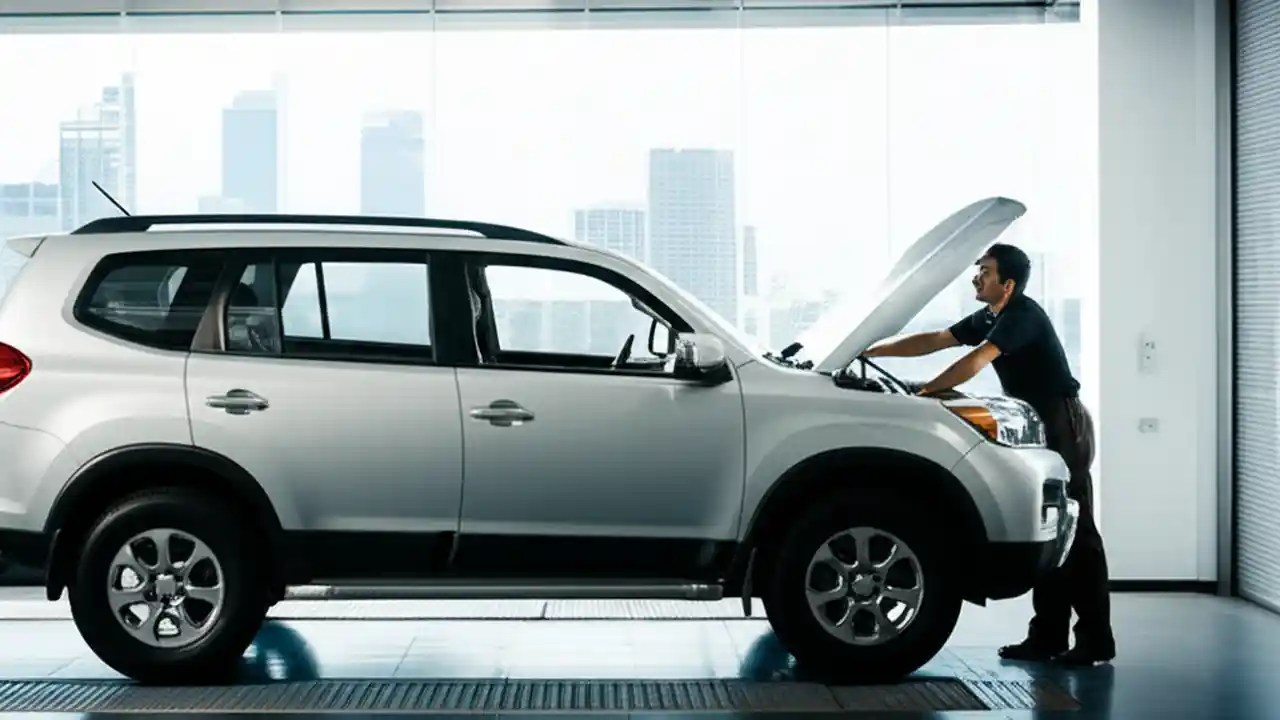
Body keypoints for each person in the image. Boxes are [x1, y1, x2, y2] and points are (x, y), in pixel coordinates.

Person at [864, 243, 1115, 667]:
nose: (976, 277)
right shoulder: (991, 314)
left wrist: (927, 390)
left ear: (1007, 283)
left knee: (1078, 534)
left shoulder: (1021, 316)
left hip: (1062, 423)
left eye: (984, 270)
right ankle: (1047, 637)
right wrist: (872, 349)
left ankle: (1096, 640)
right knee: (1052, 530)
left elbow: (977, 359)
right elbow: (937, 340)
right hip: (1038, 420)